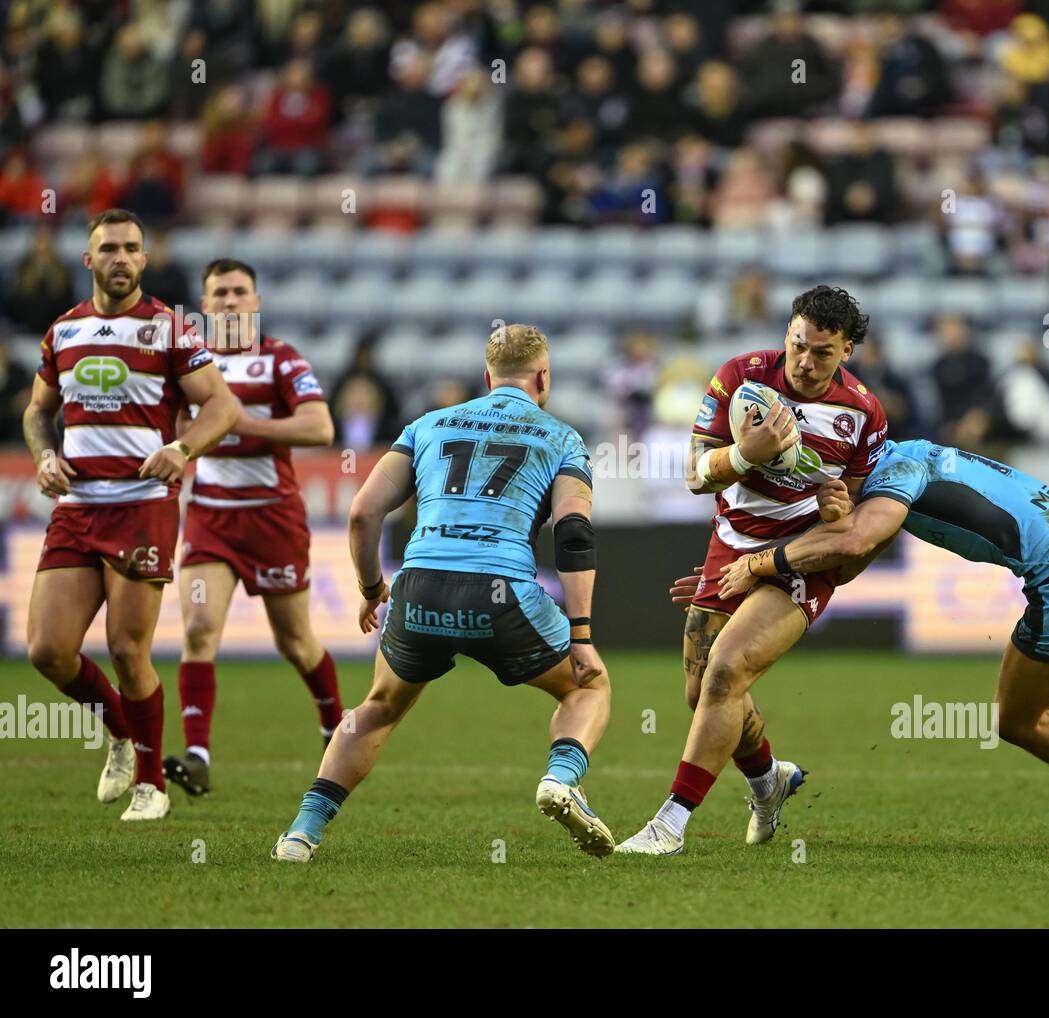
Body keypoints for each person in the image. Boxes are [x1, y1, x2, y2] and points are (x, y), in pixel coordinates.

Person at [716, 440, 1049, 853]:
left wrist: (761, 563)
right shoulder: (909, 453)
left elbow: (850, 545)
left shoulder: (890, 481)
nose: (824, 495)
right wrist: (825, 532)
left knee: (1018, 721)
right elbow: (854, 559)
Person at [272, 324, 613, 862]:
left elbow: (363, 511)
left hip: (419, 586)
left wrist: (371, 588)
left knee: (379, 707)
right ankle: (561, 778)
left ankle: (301, 832)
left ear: (487, 377)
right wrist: (582, 635)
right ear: (543, 377)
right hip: (502, 593)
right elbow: (573, 532)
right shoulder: (561, 437)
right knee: (586, 687)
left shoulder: (427, 425)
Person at [616, 286, 887, 856]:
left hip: (800, 559)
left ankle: (669, 825)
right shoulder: (740, 378)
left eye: (823, 353)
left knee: (726, 670)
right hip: (729, 545)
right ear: (787, 331)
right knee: (702, 693)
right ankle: (769, 783)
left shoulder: (864, 414)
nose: (806, 363)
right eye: (798, 346)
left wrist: (839, 515)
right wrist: (746, 454)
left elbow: (857, 521)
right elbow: (694, 475)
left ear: (848, 353)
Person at [22, 208, 239, 821]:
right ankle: (120, 732)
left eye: (132, 248)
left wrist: (182, 447)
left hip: (141, 507)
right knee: (47, 650)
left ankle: (153, 784)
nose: (121, 258)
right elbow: (37, 411)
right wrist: (43, 457)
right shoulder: (62, 331)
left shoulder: (170, 329)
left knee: (126, 648)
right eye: (109, 249)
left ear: (145, 260)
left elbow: (221, 407)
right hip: (76, 504)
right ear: (88, 260)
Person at [164, 258, 340, 797]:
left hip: (272, 519)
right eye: (219, 293)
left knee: (295, 641)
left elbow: (321, 426)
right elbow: (171, 424)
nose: (231, 301)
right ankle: (197, 756)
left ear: (256, 302)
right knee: (197, 630)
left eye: (240, 291)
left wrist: (241, 423)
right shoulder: (189, 364)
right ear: (205, 304)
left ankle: (335, 727)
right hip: (211, 517)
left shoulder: (280, 360)